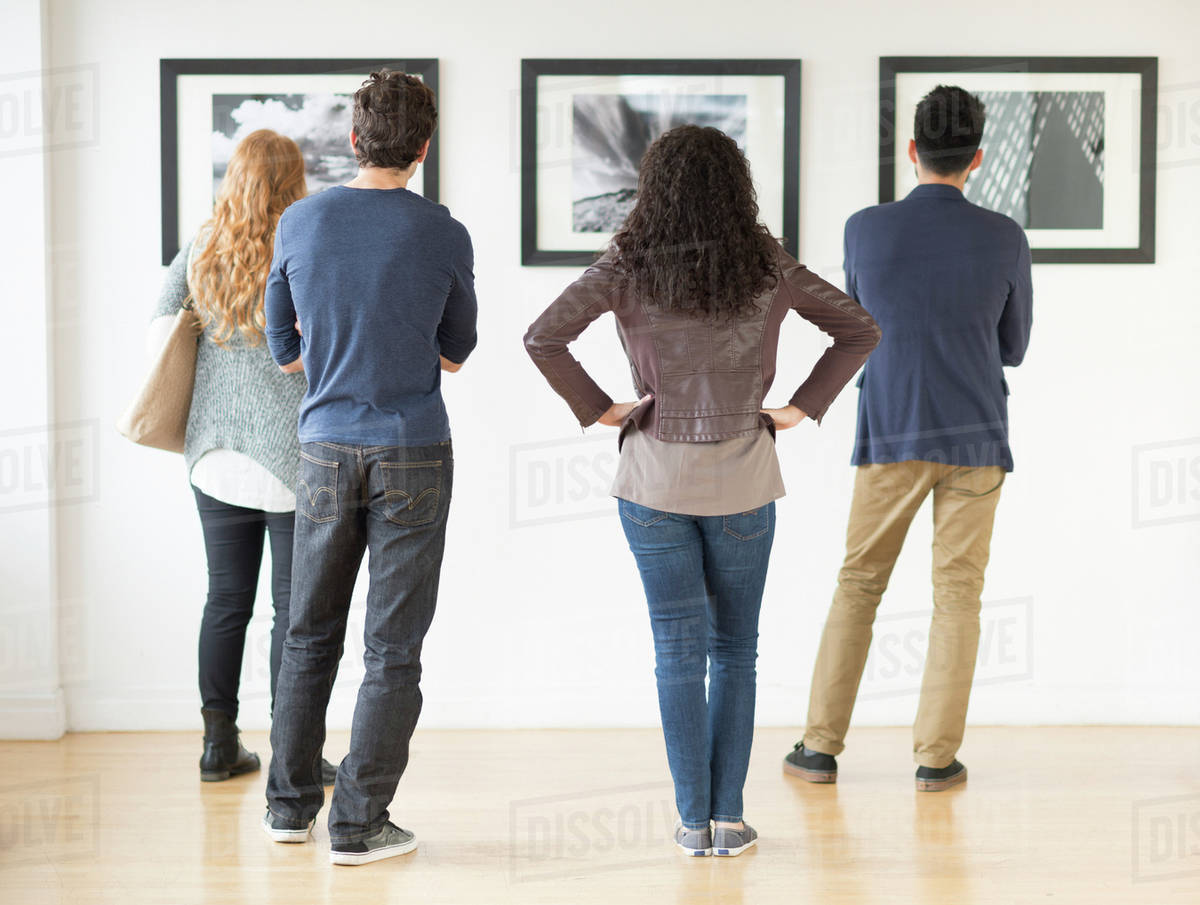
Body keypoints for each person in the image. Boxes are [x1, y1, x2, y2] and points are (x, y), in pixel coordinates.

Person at [525, 125, 880, 857]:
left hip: (651, 480)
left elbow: (543, 336)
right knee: (736, 650)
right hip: (746, 478)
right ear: (735, 188)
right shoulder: (765, 262)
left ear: (654, 189)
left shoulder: (627, 262)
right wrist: (802, 407)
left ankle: (692, 823)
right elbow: (858, 328)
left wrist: (601, 409)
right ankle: (729, 819)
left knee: (677, 650)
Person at [784, 85, 1033, 792]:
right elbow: (1012, 347)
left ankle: (819, 749)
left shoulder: (864, 228)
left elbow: (859, 328)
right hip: (978, 436)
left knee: (859, 584)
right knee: (959, 594)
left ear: (913, 150)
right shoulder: (1006, 236)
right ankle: (934, 758)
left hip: (891, 427)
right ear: (977, 158)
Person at [261, 70, 477, 867]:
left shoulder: (302, 222)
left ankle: (288, 807)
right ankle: (358, 822)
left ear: (354, 139)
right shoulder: (441, 231)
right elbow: (456, 352)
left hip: (322, 446)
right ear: (423, 148)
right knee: (393, 647)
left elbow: (283, 346)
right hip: (414, 447)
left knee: (306, 632)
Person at [150, 129, 337, 785]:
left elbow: (158, 328)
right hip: (292, 458)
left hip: (215, 453)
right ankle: (297, 754)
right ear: (294, 180)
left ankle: (217, 744)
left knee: (227, 601)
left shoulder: (201, 246)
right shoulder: (309, 245)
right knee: (296, 617)